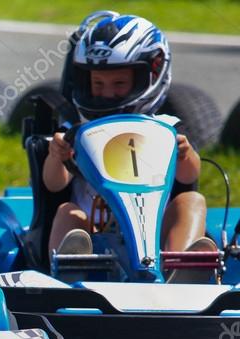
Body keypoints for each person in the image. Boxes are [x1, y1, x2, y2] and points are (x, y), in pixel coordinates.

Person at [43, 12, 215, 281]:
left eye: (119, 83)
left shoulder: (167, 128)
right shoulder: (75, 132)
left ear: (151, 74)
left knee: (192, 201)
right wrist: (57, 155)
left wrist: (184, 153)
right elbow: (54, 185)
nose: (107, 92)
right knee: (68, 212)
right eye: (98, 84)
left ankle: (182, 269)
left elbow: (189, 177)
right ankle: (70, 273)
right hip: (92, 237)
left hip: (156, 237)